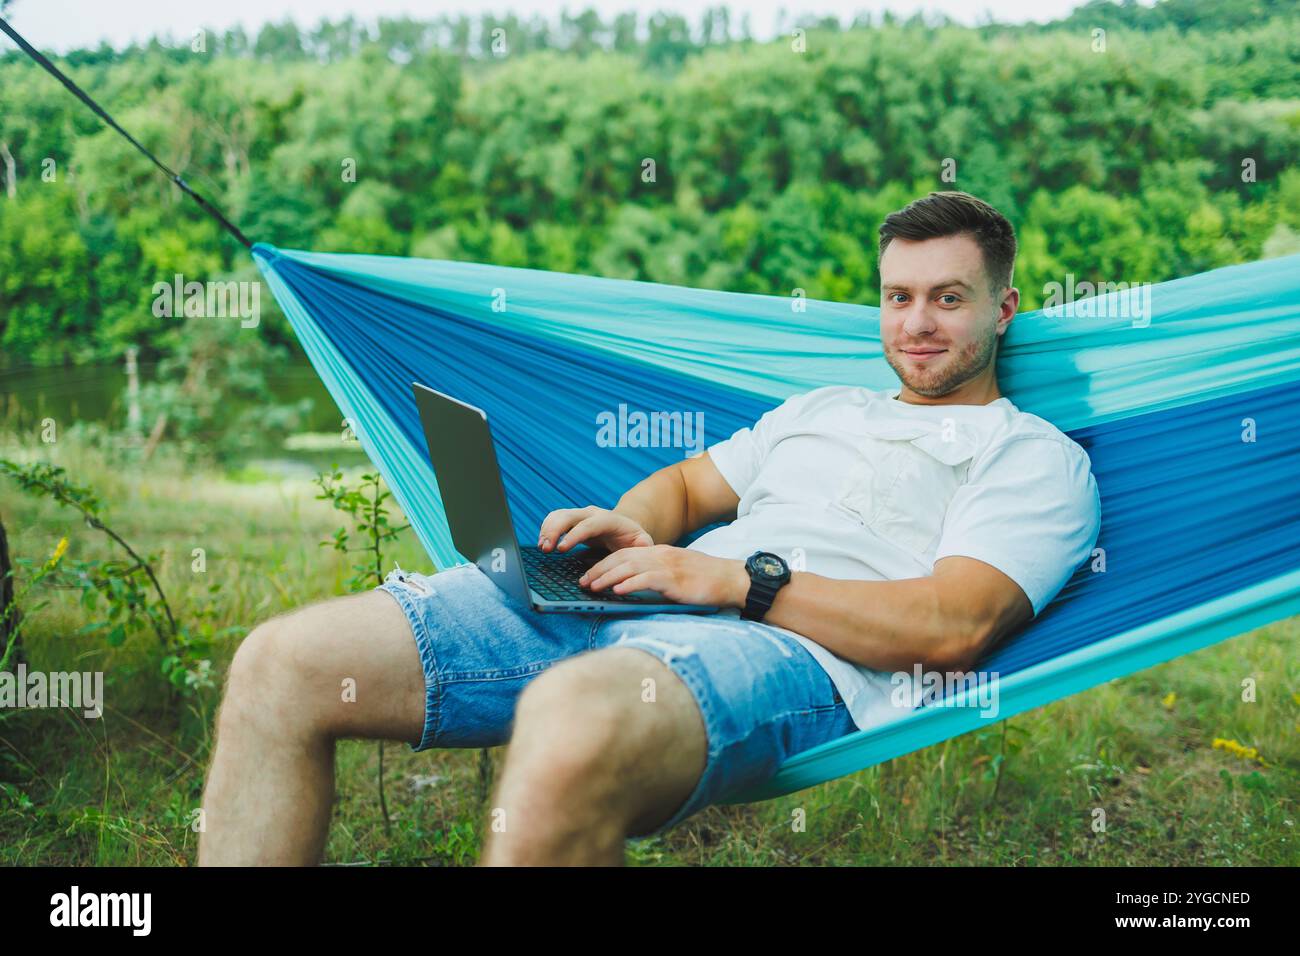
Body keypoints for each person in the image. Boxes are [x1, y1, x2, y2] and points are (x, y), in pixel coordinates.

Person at [198, 190, 1101, 866]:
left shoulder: (1033, 456)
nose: (917, 323)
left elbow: (954, 626)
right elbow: (684, 483)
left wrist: (742, 583)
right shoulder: (821, 409)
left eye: (948, 298)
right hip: (635, 597)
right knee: (281, 665)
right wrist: (630, 527)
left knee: (571, 715)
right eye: (898, 297)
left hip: (794, 655)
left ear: (1004, 308)